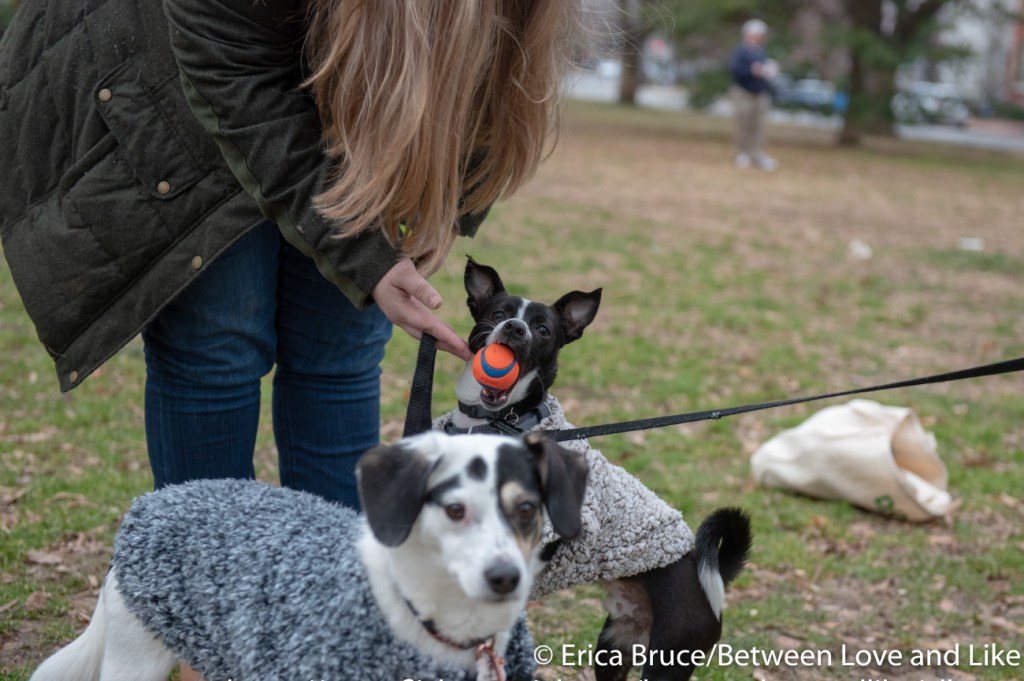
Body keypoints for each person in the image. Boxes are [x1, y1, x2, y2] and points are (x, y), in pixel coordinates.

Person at [1, 3, 576, 676]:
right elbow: (229, 65)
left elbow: (491, 81)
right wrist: (365, 257)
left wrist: (441, 205)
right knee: (218, 348)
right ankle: (203, 621)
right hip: (183, 77)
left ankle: (348, 618)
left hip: (362, 100)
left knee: (337, 358)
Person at [728, 18, 778, 171]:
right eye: (757, 34)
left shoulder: (761, 52)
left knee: (759, 125)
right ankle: (743, 153)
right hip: (744, 92)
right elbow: (735, 70)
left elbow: (764, 72)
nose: (759, 37)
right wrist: (751, 71)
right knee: (744, 123)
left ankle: (758, 153)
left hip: (760, 93)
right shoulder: (741, 51)